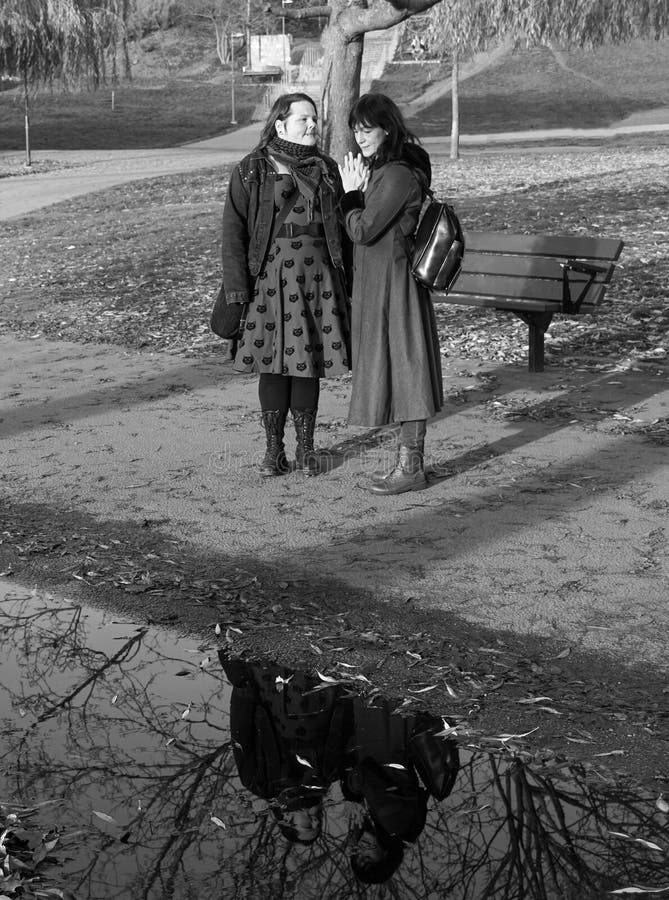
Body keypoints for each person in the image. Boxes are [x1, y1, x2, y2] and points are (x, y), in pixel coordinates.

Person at [221, 92, 351, 477]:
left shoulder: (326, 168)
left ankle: (307, 450)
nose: (313, 125)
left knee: (307, 364)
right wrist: (237, 291)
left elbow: (343, 227)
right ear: (280, 124)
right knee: (273, 366)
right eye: (303, 119)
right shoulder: (252, 169)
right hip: (270, 283)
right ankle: (273, 452)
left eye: (315, 119)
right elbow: (233, 235)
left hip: (319, 281)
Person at [338, 93, 444, 495]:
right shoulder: (386, 171)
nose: (359, 137)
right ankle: (408, 465)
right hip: (382, 283)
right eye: (355, 130)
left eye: (366, 129)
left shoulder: (398, 174)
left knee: (408, 372)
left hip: (396, 286)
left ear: (386, 128)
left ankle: (411, 467)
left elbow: (363, 229)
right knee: (401, 370)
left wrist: (350, 195)